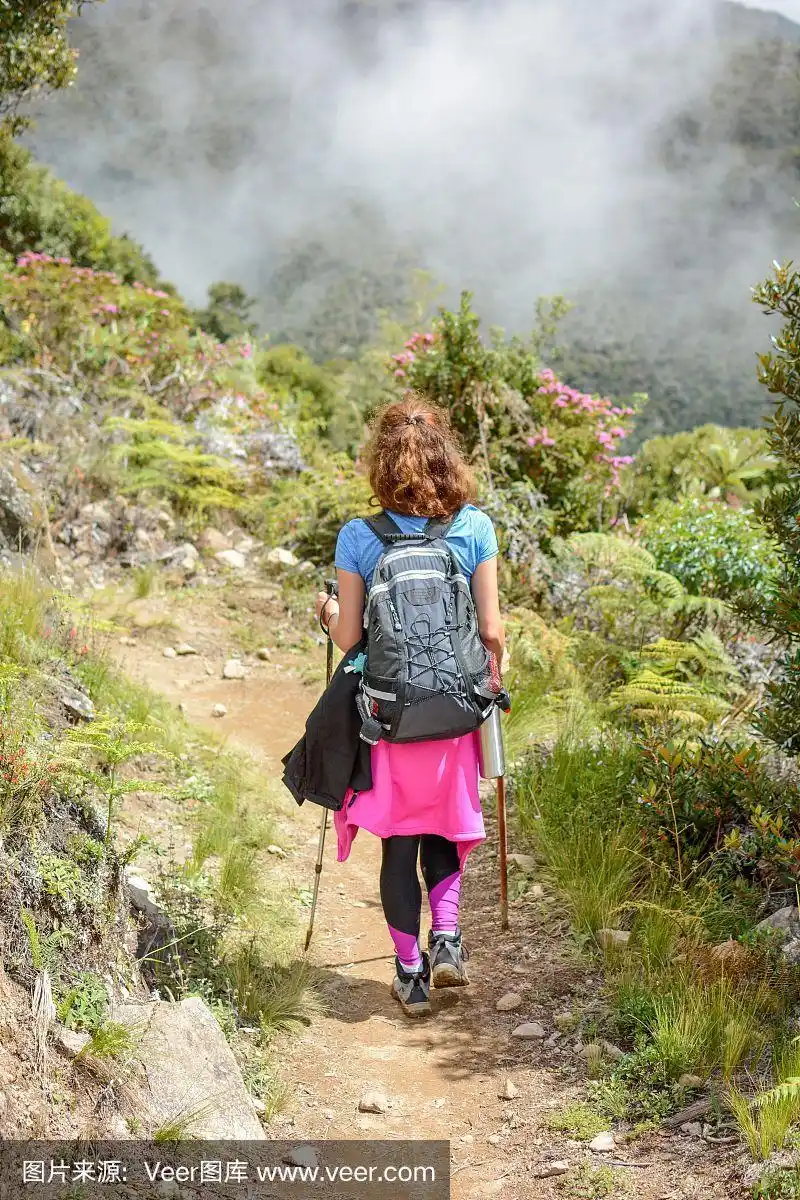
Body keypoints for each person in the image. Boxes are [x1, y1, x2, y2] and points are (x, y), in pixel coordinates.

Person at [314, 394, 505, 1017]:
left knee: (400, 838)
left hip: (391, 716)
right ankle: (447, 941)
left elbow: (348, 638)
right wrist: (491, 683)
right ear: (446, 456)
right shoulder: (473, 528)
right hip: (454, 710)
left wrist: (325, 615)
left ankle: (410, 973)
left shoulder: (359, 537)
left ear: (381, 461)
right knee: (444, 829)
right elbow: (492, 630)